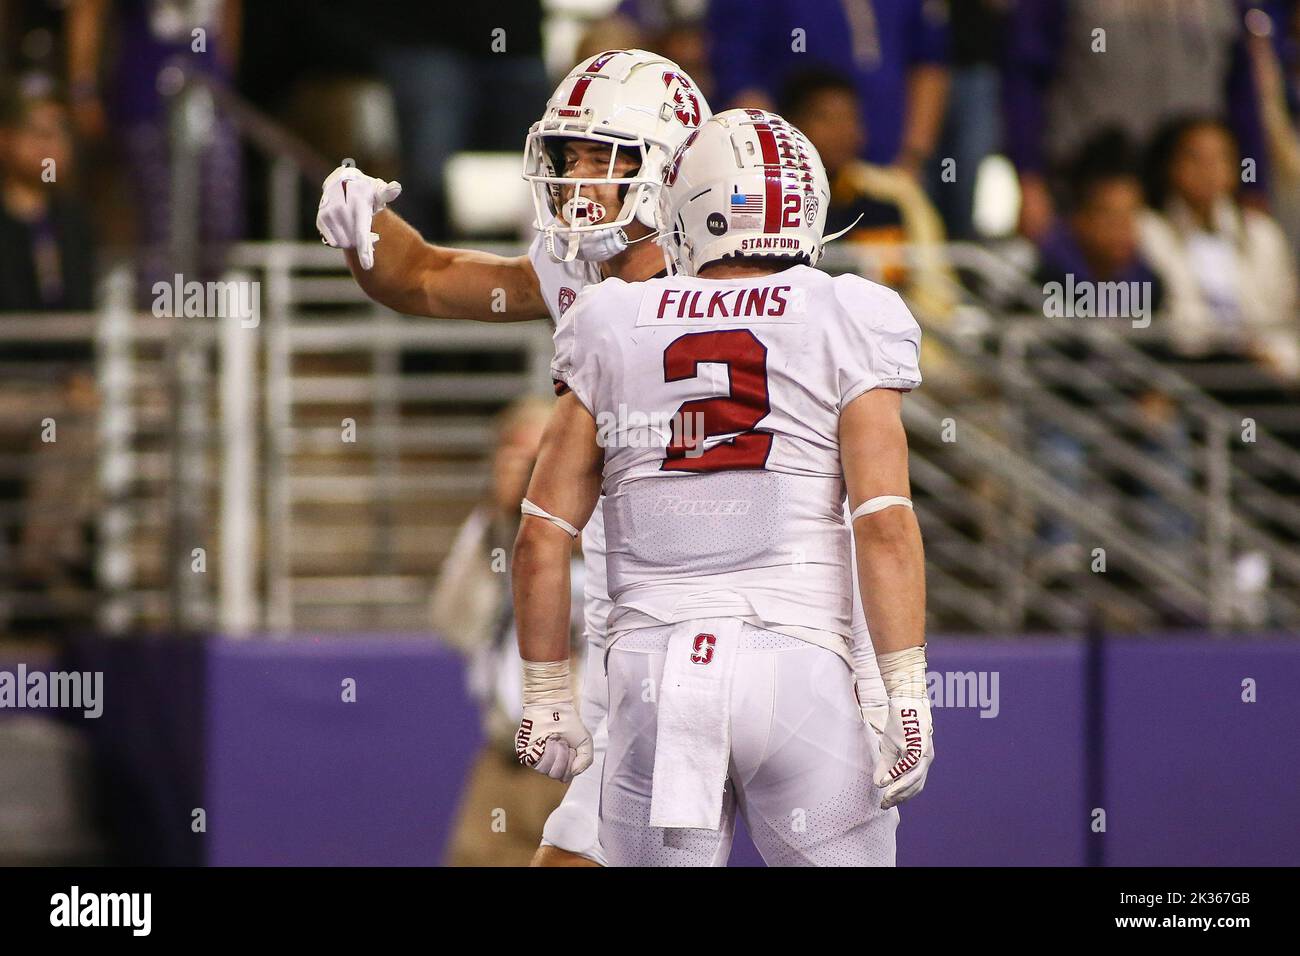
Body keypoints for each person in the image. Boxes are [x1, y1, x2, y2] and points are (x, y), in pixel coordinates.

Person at [510, 109, 933, 865]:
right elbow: (883, 520)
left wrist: (546, 696)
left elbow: (542, 533)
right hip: (798, 666)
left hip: (653, 678)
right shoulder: (845, 310)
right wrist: (904, 689)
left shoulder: (609, 318)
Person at [431, 398, 584, 866]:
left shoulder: (610, 528)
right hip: (506, 760)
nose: (531, 468)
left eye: (541, 453)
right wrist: (497, 518)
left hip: (587, 766)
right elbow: (453, 625)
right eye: (516, 454)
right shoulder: (491, 536)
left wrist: (564, 512)